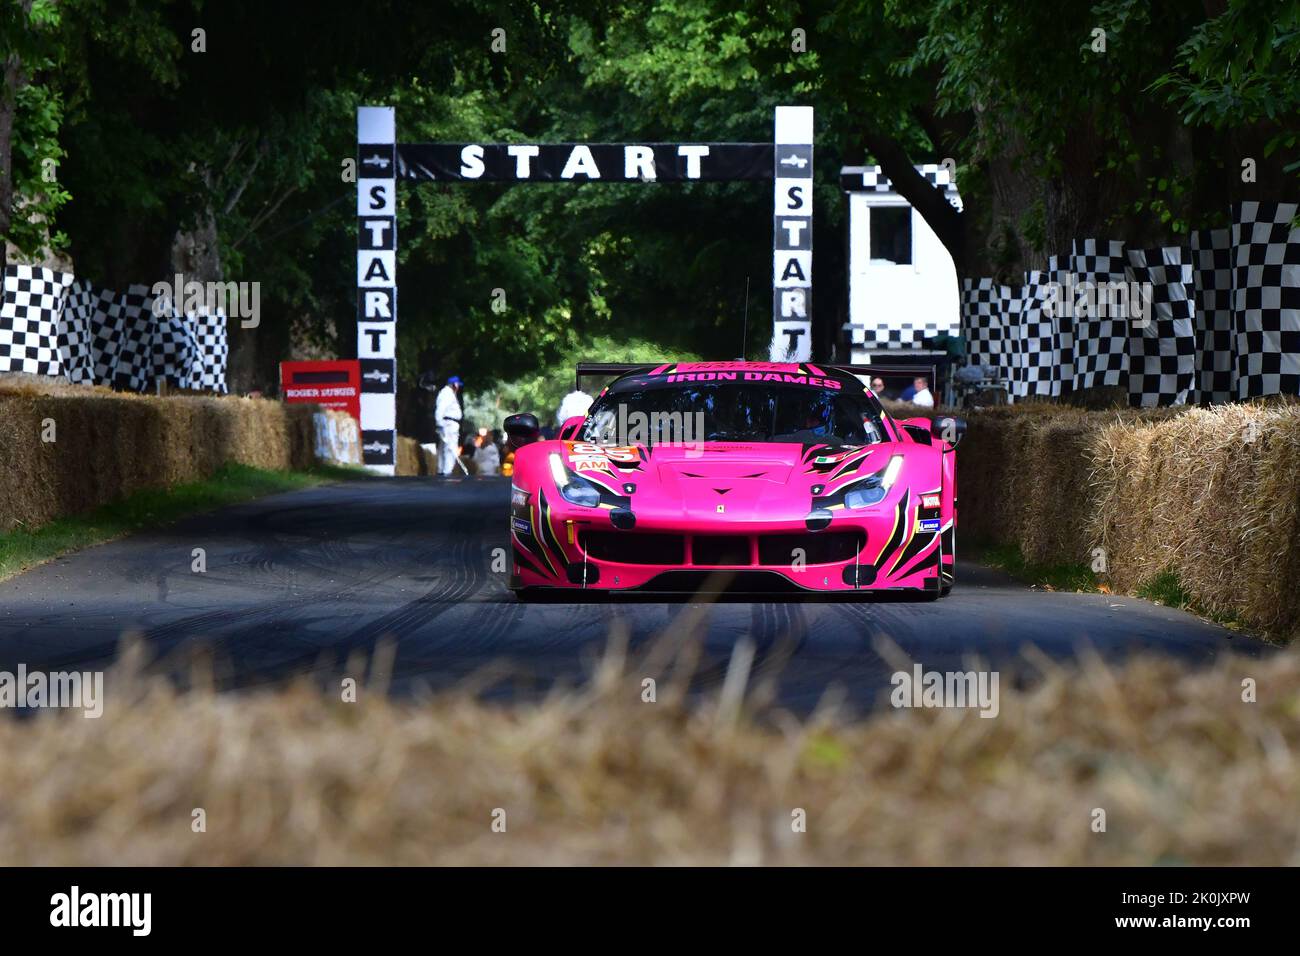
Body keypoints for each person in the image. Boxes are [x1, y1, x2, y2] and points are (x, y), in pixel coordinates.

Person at [434, 375, 463, 476]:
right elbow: (440, 409)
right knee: (450, 449)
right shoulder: (447, 394)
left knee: (444, 449)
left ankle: (442, 470)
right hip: (449, 424)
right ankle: (447, 472)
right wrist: (439, 423)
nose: (458, 387)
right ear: (454, 384)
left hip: (447, 424)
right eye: (458, 385)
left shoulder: (448, 393)